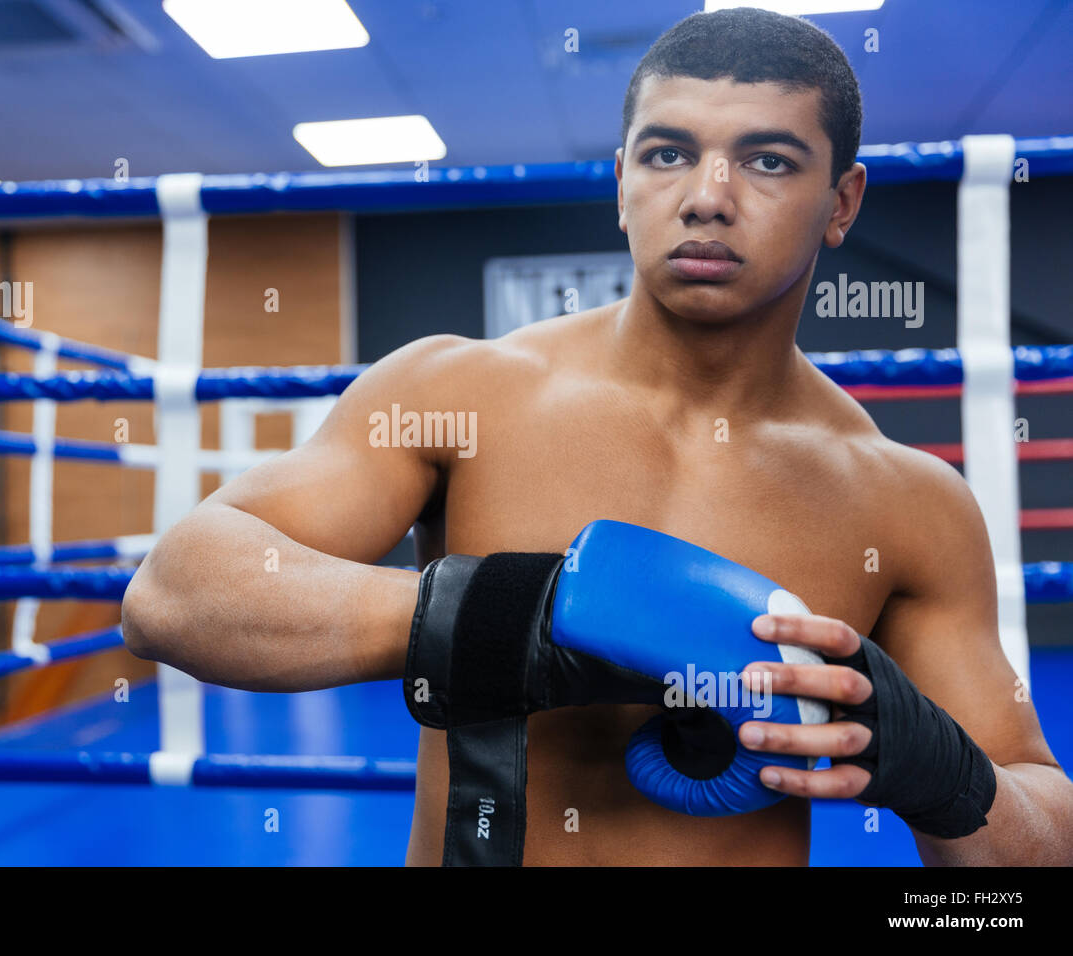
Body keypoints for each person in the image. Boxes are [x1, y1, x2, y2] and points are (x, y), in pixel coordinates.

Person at [121, 8, 1072, 865]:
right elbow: (176, 591)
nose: (707, 196)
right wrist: (513, 620)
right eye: (666, 154)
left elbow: (1038, 840)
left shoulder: (905, 501)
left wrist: (939, 772)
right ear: (621, 185)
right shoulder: (460, 390)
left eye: (769, 161)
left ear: (843, 204)